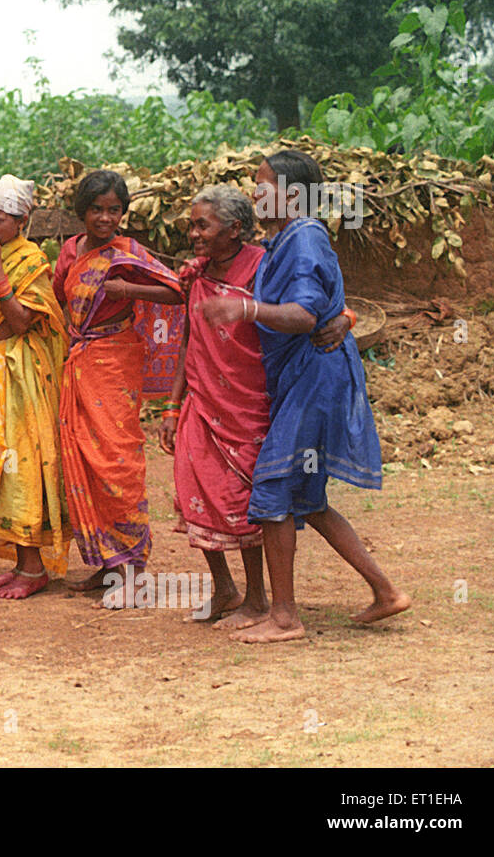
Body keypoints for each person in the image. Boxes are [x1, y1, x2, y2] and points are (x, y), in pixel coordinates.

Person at [200, 150, 411, 642]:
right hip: (303, 377)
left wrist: (244, 309)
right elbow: (326, 302)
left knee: (273, 488)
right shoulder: (283, 241)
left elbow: (302, 315)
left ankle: (285, 617)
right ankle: (386, 593)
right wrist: (345, 315)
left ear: (292, 194)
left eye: (262, 185)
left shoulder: (304, 236)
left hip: (315, 379)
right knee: (306, 497)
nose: (255, 194)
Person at [54, 169, 183, 608]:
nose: (105, 218)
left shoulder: (127, 253)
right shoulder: (70, 251)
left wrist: (127, 287)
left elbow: (177, 291)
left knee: (116, 460)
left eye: (114, 210)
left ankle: (132, 570)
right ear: (81, 212)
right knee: (84, 462)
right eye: (96, 209)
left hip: (116, 360)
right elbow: (60, 298)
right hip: (79, 360)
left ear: (124, 213)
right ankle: (106, 563)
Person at [0, 175, 68, 599]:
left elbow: (21, 321)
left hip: (23, 375)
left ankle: (34, 567)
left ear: (21, 221)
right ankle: (20, 561)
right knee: (0, 461)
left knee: (22, 461)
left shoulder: (31, 260)